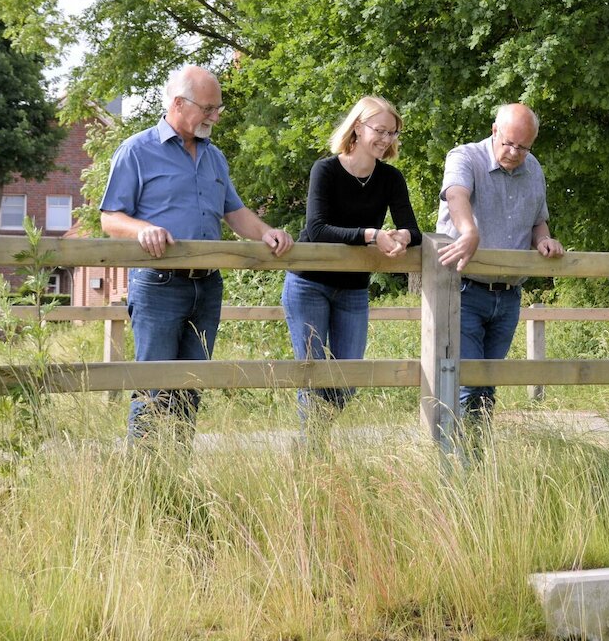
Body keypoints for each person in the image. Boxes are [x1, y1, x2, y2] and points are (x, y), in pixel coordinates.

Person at [100, 65, 294, 441]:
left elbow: (234, 212)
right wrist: (143, 230)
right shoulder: (136, 151)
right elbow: (110, 217)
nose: (215, 116)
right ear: (178, 103)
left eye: (217, 108)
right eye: (208, 108)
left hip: (207, 287)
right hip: (158, 285)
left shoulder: (214, 156)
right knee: (153, 389)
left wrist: (268, 232)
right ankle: (143, 482)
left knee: (190, 388)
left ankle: (177, 479)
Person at [283, 95, 421, 435]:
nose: (387, 139)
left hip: (354, 288)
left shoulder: (390, 178)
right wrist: (372, 234)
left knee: (348, 377)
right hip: (309, 283)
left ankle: (314, 437)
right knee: (314, 375)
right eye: (380, 130)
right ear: (357, 128)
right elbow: (317, 229)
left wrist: (402, 237)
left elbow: (414, 231)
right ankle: (312, 451)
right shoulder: (326, 169)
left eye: (393, 132)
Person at [436, 103, 565, 456]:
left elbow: (538, 221)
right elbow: (456, 195)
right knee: (466, 383)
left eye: (523, 147)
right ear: (495, 130)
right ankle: (459, 468)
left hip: (508, 294)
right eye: (508, 143)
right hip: (463, 287)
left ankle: (478, 463)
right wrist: (468, 230)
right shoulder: (465, 156)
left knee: (488, 386)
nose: (514, 153)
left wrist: (544, 240)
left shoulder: (533, 168)